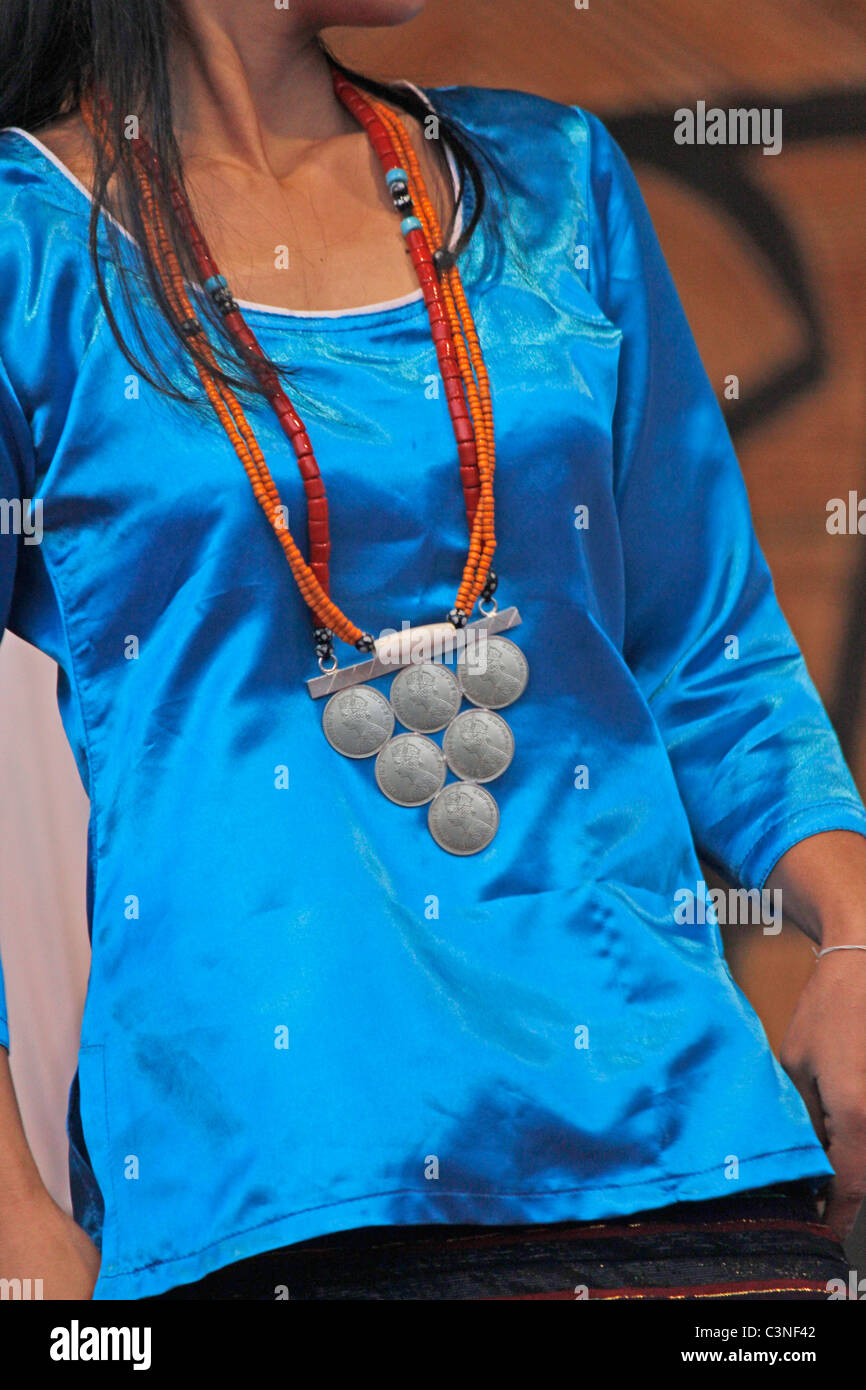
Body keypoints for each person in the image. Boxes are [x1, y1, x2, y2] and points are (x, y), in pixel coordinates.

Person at [1, 0, 865, 1302]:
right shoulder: (27, 243)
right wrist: (12, 1210)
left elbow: (707, 648)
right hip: (262, 1184)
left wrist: (852, 935)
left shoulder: (550, 185)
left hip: (674, 1152)